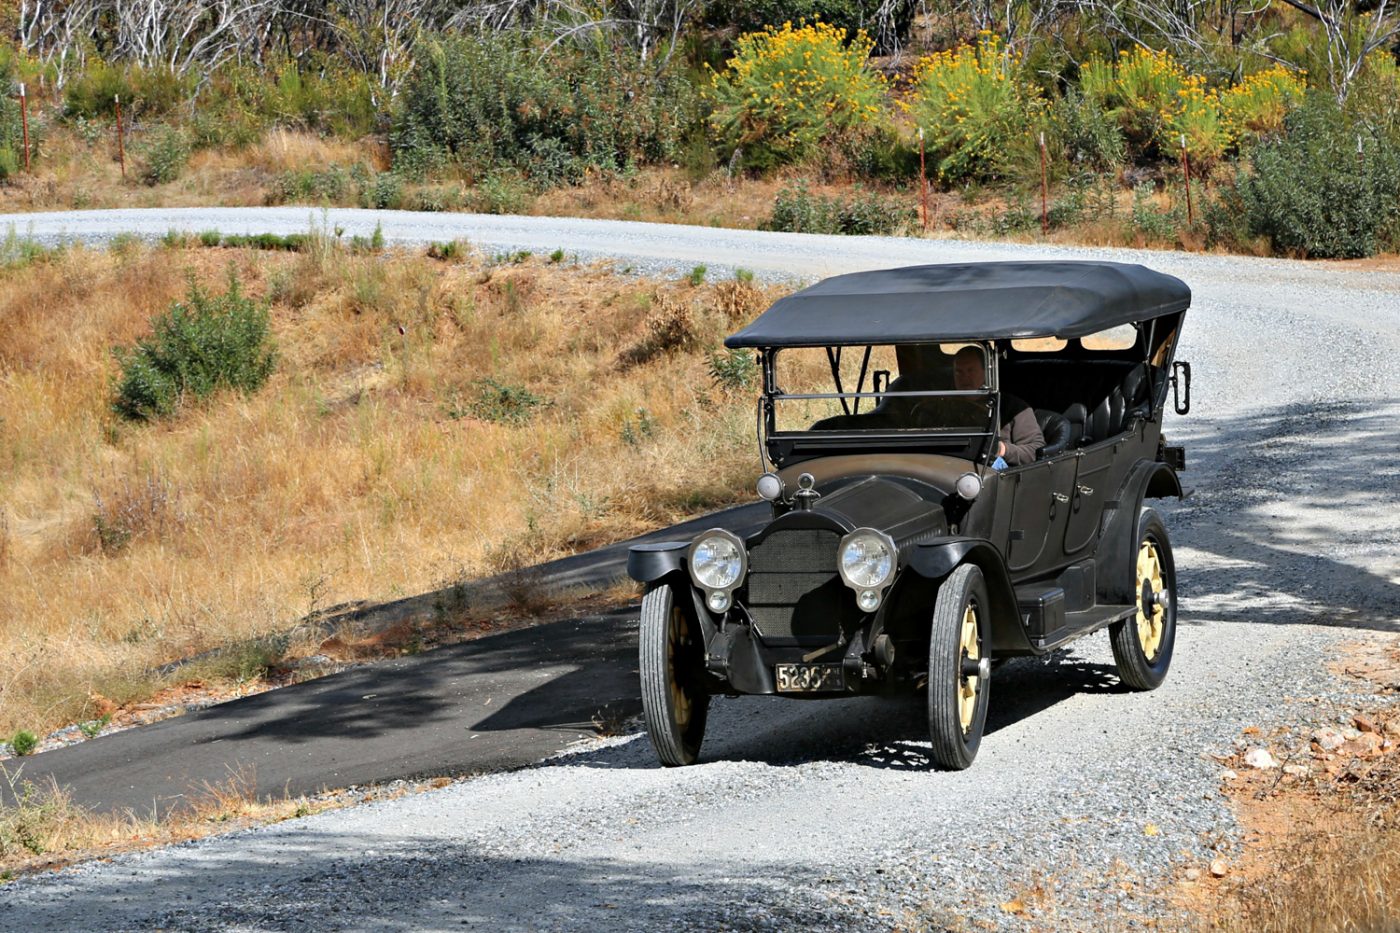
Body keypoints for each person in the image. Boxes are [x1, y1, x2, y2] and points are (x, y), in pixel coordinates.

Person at [952, 345, 1044, 469]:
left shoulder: (1014, 407)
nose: (965, 378)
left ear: (986, 372)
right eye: (959, 372)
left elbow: (1035, 451)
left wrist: (1002, 449)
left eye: (971, 370)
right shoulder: (945, 405)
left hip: (993, 477)